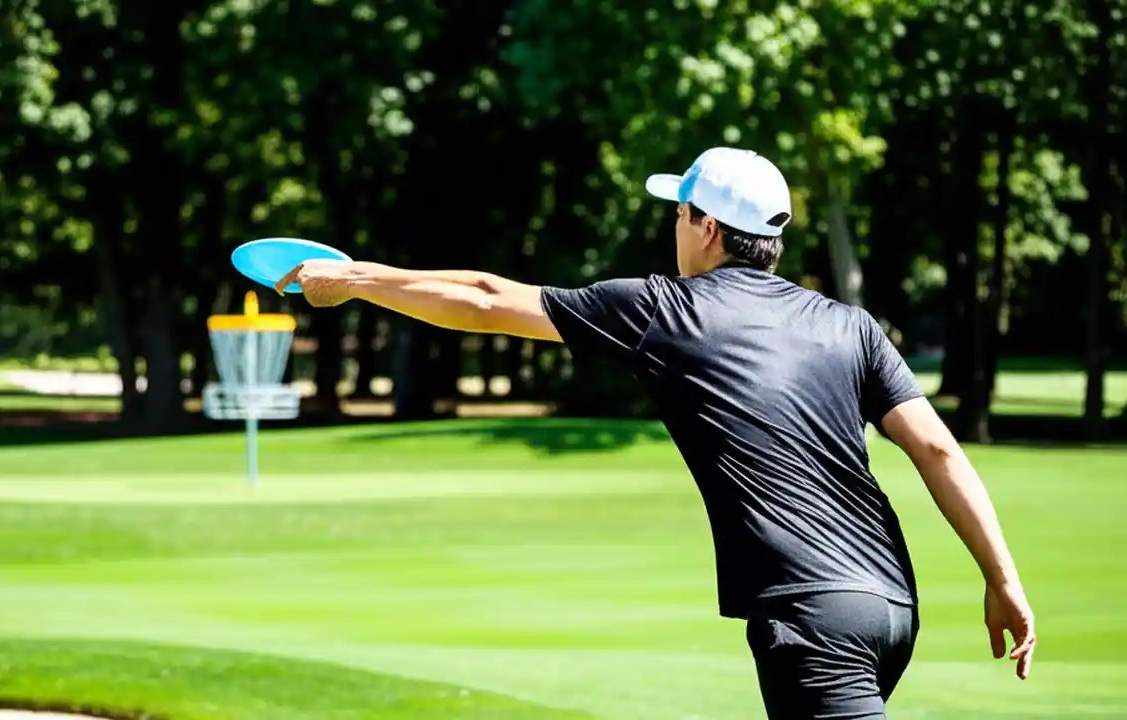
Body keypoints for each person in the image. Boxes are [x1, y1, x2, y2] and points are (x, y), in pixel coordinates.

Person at [273, 146, 1036, 719]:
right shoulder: (849, 325)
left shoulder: (666, 311)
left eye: (679, 214)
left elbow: (484, 297)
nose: (674, 227)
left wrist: (357, 280)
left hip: (813, 617)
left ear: (709, 227)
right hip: (891, 607)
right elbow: (936, 448)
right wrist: (1001, 579)